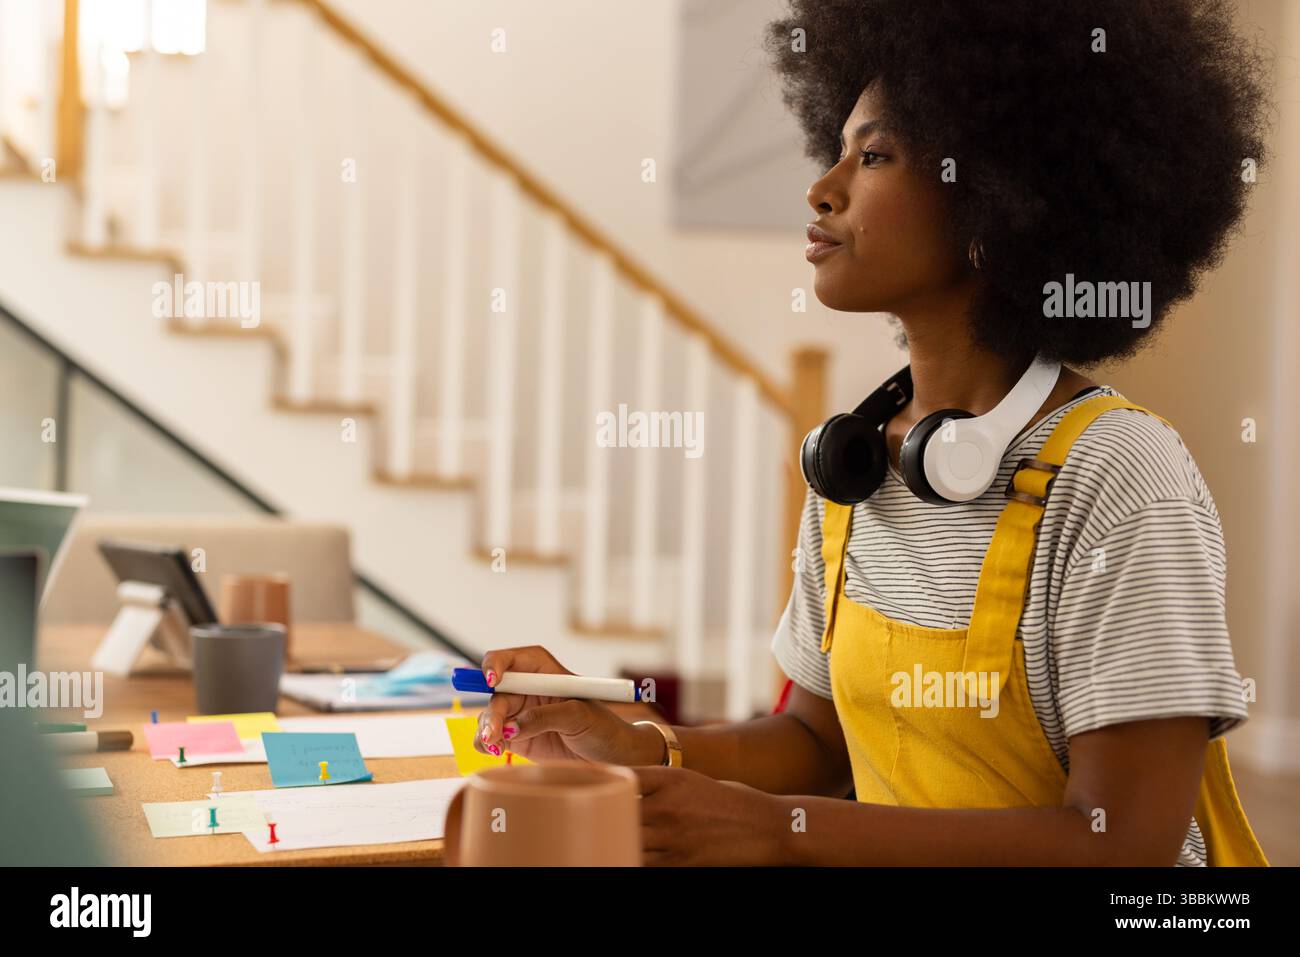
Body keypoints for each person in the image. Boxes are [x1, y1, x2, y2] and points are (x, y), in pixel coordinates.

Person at [475, 0, 1271, 865]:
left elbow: (1124, 846)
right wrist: (637, 741)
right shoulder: (853, 465)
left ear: (1001, 205)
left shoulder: (1120, 477)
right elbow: (815, 743)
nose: (823, 187)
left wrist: (775, 833)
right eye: (840, 148)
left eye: (876, 155)